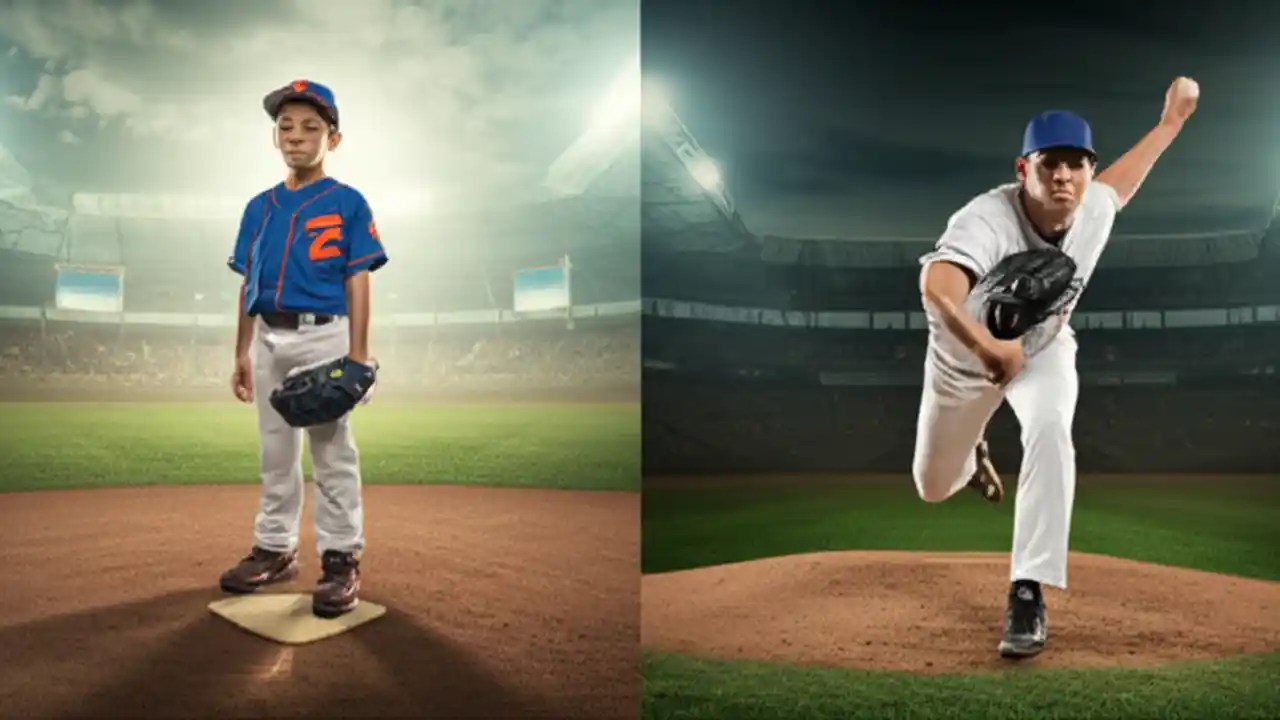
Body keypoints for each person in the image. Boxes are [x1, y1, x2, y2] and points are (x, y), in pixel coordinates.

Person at [912, 77, 1199, 657]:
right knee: (933, 487)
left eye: (1077, 164)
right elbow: (935, 284)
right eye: (1050, 165)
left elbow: (1123, 185)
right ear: (1024, 169)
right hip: (964, 360)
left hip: (1044, 350)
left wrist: (1171, 124)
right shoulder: (986, 218)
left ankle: (1027, 589)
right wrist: (989, 351)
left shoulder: (1092, 204)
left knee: (1050, 431)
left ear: (1088, 171)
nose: (1064, 176)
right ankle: (972, 455)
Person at [219, 79, 388, 618]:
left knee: (331, 450)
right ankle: (275, 547)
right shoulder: (258, 207)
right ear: (274, 138)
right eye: (286, 126)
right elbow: (248, 283)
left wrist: (359, 356)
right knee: (275, 452)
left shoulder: (347, 201)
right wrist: (241, 352)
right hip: (268, 335)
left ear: (332, 139)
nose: (296, 136)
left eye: (311, 127)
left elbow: (358, 278)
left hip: (324, 334)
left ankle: (341, 559)